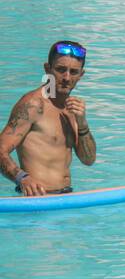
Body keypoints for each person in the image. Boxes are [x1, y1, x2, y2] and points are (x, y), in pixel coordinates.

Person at [0, 41, 96, 195]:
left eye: (73, 72)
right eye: (60, 70)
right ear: (47, 69)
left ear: (81, 75)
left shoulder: (72, 109)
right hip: (37, 201)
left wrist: (83, 124)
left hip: (65, 197)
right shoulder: (33, 105)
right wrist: (22, 178)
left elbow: (88, 160)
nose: (66, 77)